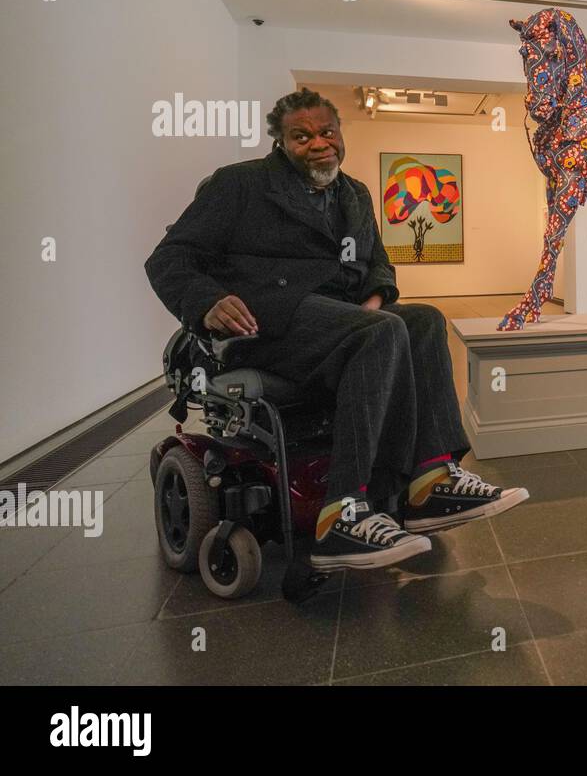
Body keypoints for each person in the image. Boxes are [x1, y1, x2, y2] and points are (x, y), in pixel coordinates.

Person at [145, 87, 528, 571]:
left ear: (340, 133)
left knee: (425, 321)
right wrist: (208, 303)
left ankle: (430, 481)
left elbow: (379, 268)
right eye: (301, 136)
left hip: (335, 323)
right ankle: (341, 517)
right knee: (383, 332)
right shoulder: (239, 185)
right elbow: (169, 259)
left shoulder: (356, 195)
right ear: (281, 142)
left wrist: (374, 300)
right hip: (266, 329)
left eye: (327, 132)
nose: (318, 143)